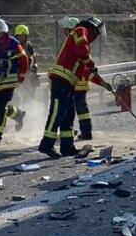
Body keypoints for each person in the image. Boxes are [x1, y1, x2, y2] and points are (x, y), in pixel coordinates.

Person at [39, 17, 113, 158]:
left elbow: (86, 71)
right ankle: (46, 145)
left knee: (68, 115)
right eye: (97, 34)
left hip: (68, 82)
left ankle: (67, 147)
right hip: (61, 79)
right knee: (57, 112)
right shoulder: (80, 30)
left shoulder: (82, 43)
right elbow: (83, 52)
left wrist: (103, 83)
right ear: (93, 29)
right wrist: (91, 63)